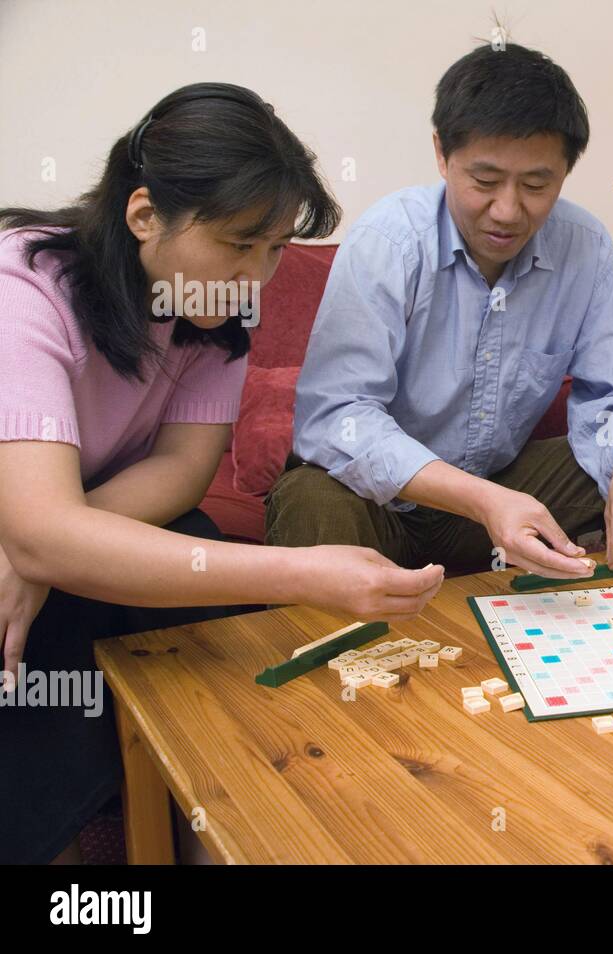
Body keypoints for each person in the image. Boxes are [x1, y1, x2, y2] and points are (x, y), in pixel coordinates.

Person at [0, 83, 443, 864]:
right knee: (44, 619)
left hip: (49, 527)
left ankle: (217, 823)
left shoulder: (214, 321)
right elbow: (39, 523)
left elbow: (178, 473)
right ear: (144, 215)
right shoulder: (25, 293)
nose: (260, 276)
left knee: (182, 542)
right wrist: (37, 541)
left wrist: (49, 542)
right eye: (240, 245)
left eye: (275, 249)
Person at [264, 43, 613, 576]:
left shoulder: (582, 245)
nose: (507, 211)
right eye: (485, 181)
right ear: (441, 155)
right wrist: (482, 501)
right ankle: (332, 657)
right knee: (311, 496)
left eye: (537, 185)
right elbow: (339, 417)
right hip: (378, 504)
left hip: (498, 495)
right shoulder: (391, 242)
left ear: (565, 173)